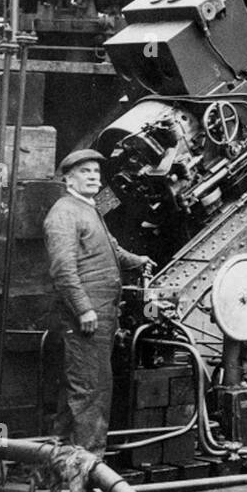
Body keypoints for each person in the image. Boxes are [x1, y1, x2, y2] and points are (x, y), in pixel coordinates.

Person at [43, 148, 153, 455]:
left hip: (102, 315)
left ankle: (63, 457)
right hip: (86, 317)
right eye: (84, 172)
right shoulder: (64, 213)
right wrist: (84, 308)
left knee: (79, 389)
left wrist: (137, 260)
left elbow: (113, 251)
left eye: (95, 171)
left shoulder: (89, 209)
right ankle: (90, 463)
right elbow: (63, 270)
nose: (93, 176)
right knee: (92, 390)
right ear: (68, 180)